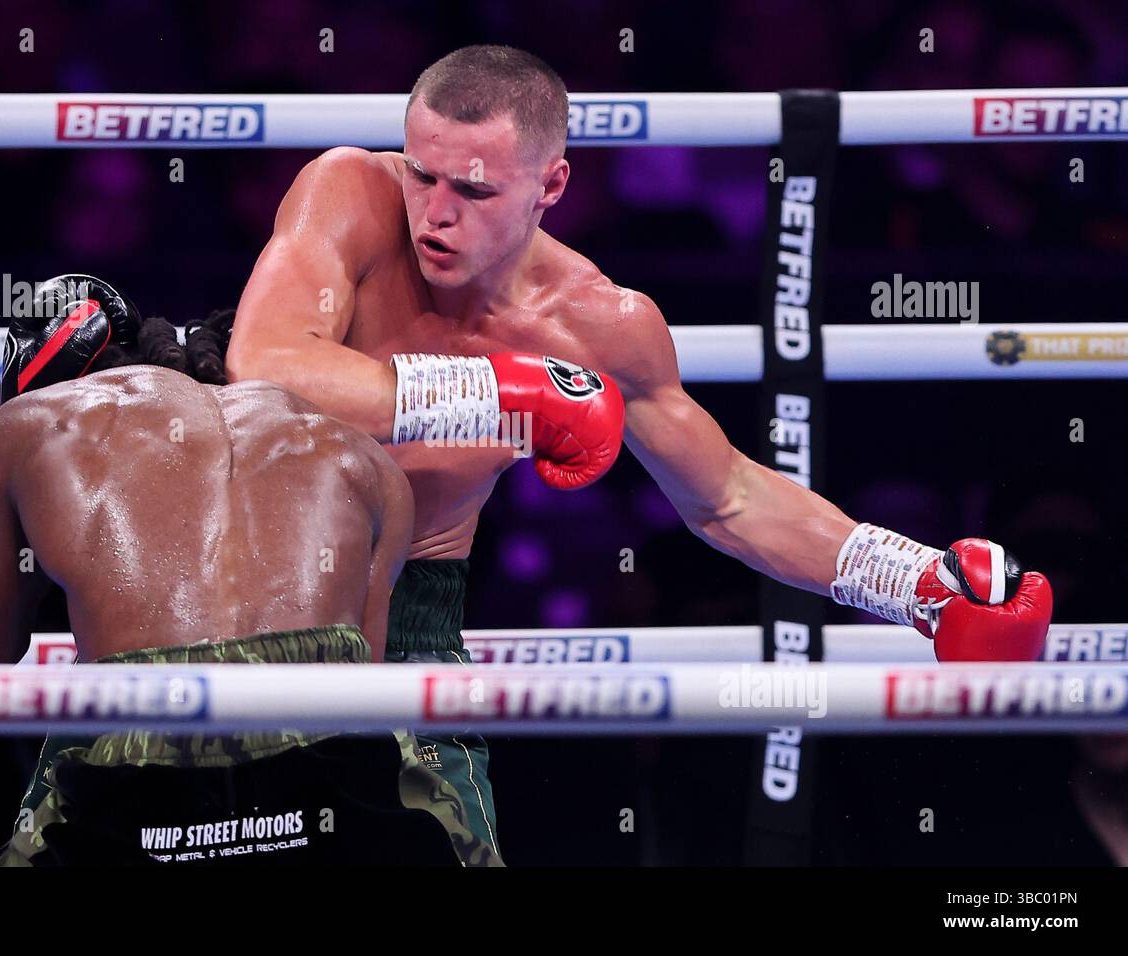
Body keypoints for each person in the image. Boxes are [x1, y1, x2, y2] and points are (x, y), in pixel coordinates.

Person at [224, 45, 1055, 851]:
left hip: (409, 622)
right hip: (246, 591)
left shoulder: (599, 327)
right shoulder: (350, 192)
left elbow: (727, 496)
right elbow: (264, 361)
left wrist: (911, 580)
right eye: (422, 173)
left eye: (475, 189)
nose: (435, 213)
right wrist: (498, 392)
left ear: (551, 185)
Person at [0, 275, 498, 866]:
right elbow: (363, 684)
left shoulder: (37, 423)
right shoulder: (361, 456)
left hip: (145, 746)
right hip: (325, 745)